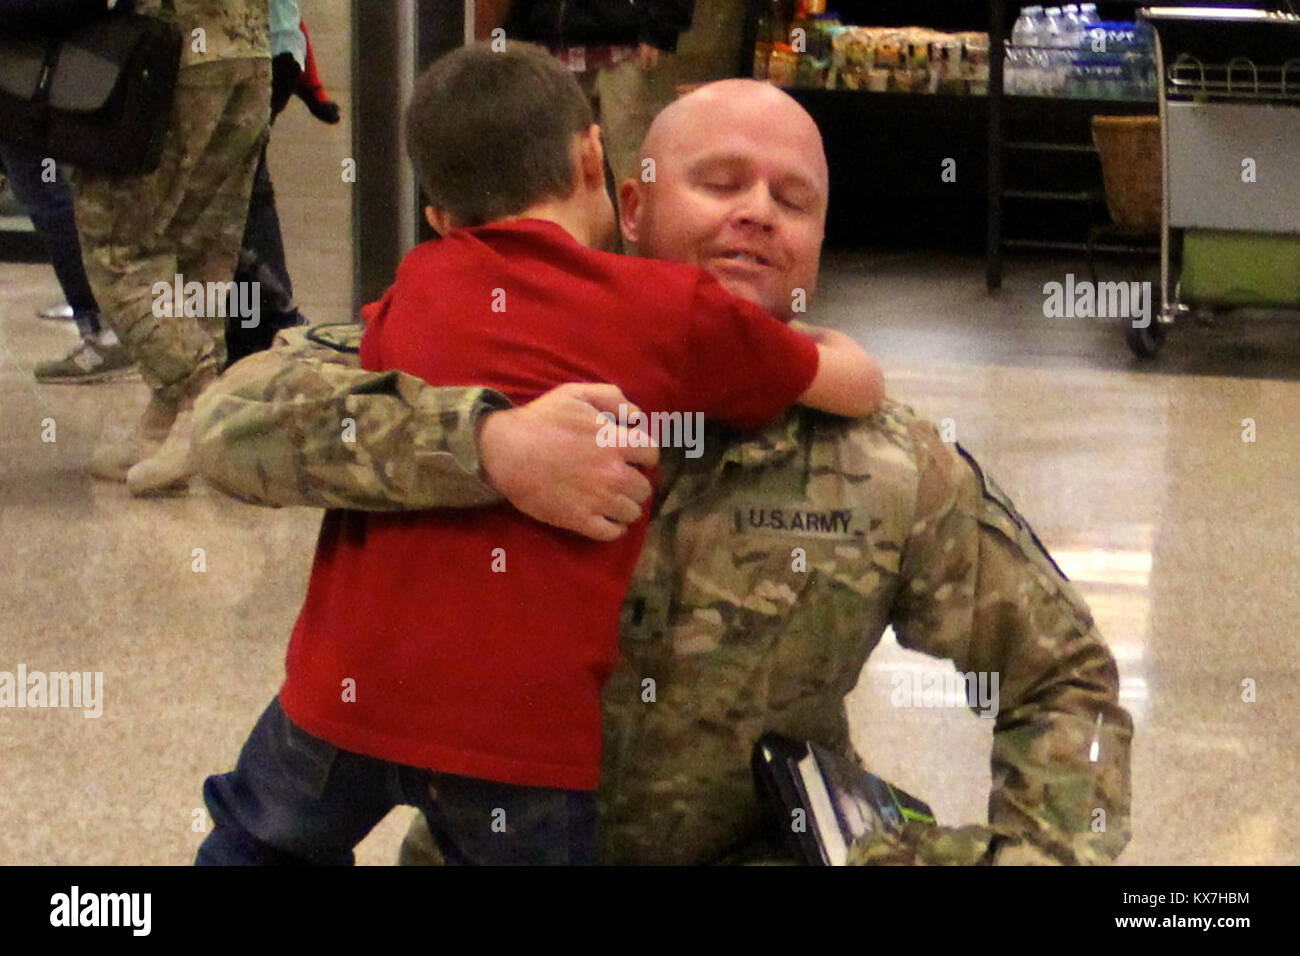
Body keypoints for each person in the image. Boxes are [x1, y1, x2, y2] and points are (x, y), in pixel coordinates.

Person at [193, 79, 1134, 866]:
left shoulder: (888, 461)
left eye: (793, 200)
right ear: (626, 203)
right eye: (721, 182)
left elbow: (1065, 673)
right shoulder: (472, 348)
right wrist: (484, 446)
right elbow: (235, 426)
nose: (759, 211)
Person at [73, 0, 270, 495]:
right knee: (201, 243)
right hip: (246, 47)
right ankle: (169, 424)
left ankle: (203, 400)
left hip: (165, 51)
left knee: (117, 247)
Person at [0, 142, 135, 383]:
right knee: (43, 190)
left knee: (44, 192)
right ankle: (106, 328)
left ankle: (104, 332)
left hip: (25, 109)